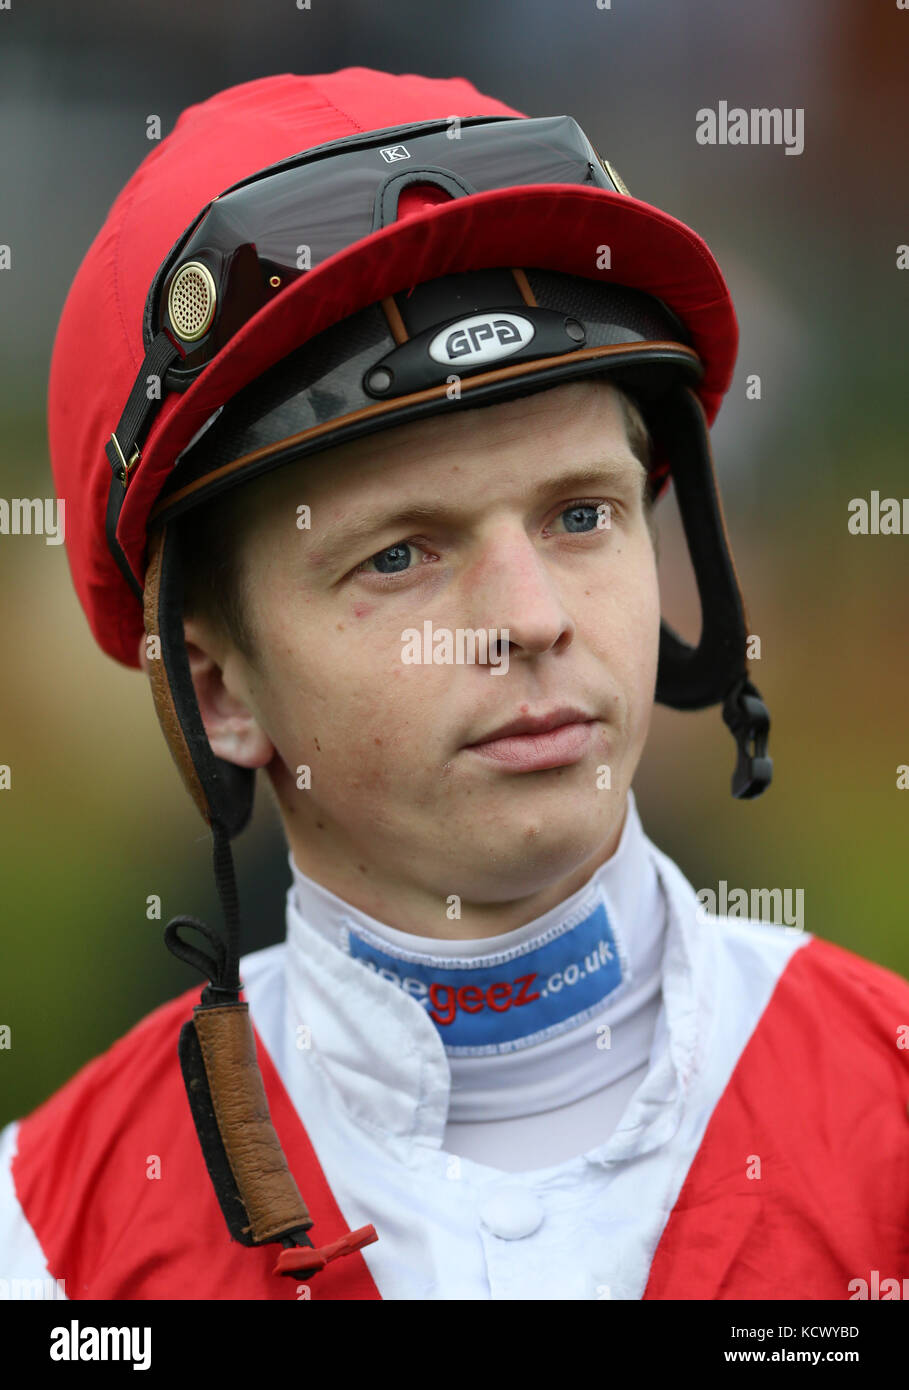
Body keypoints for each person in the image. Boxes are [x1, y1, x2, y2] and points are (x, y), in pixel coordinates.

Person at [1, 68, 906, 1302]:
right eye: (400, 554)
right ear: (219, 692)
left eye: (581, 513)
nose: (533, 619)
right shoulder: (42, 1246)